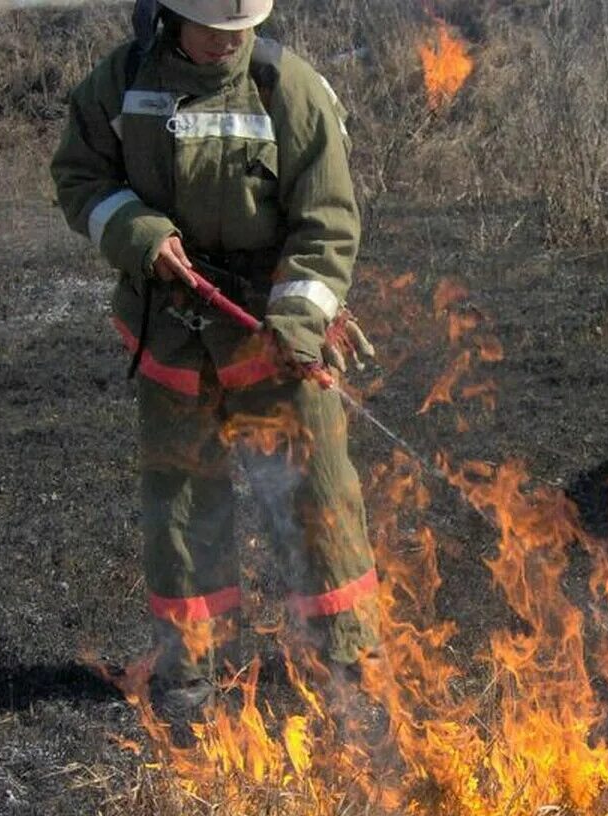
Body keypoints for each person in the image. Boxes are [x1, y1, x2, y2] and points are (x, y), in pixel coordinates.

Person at [50, 0, 379, 729]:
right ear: (170, 14)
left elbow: (328, 224)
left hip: (270, 339)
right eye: (214, 30)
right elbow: (79, 177)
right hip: (172, 340)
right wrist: (137, 231)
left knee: (317, 498)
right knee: (182, 509)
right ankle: (192, 673)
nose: (229, 43)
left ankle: (348, 669)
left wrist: (297, 320)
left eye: (242, 30)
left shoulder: (290, 89)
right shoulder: (122, 82)